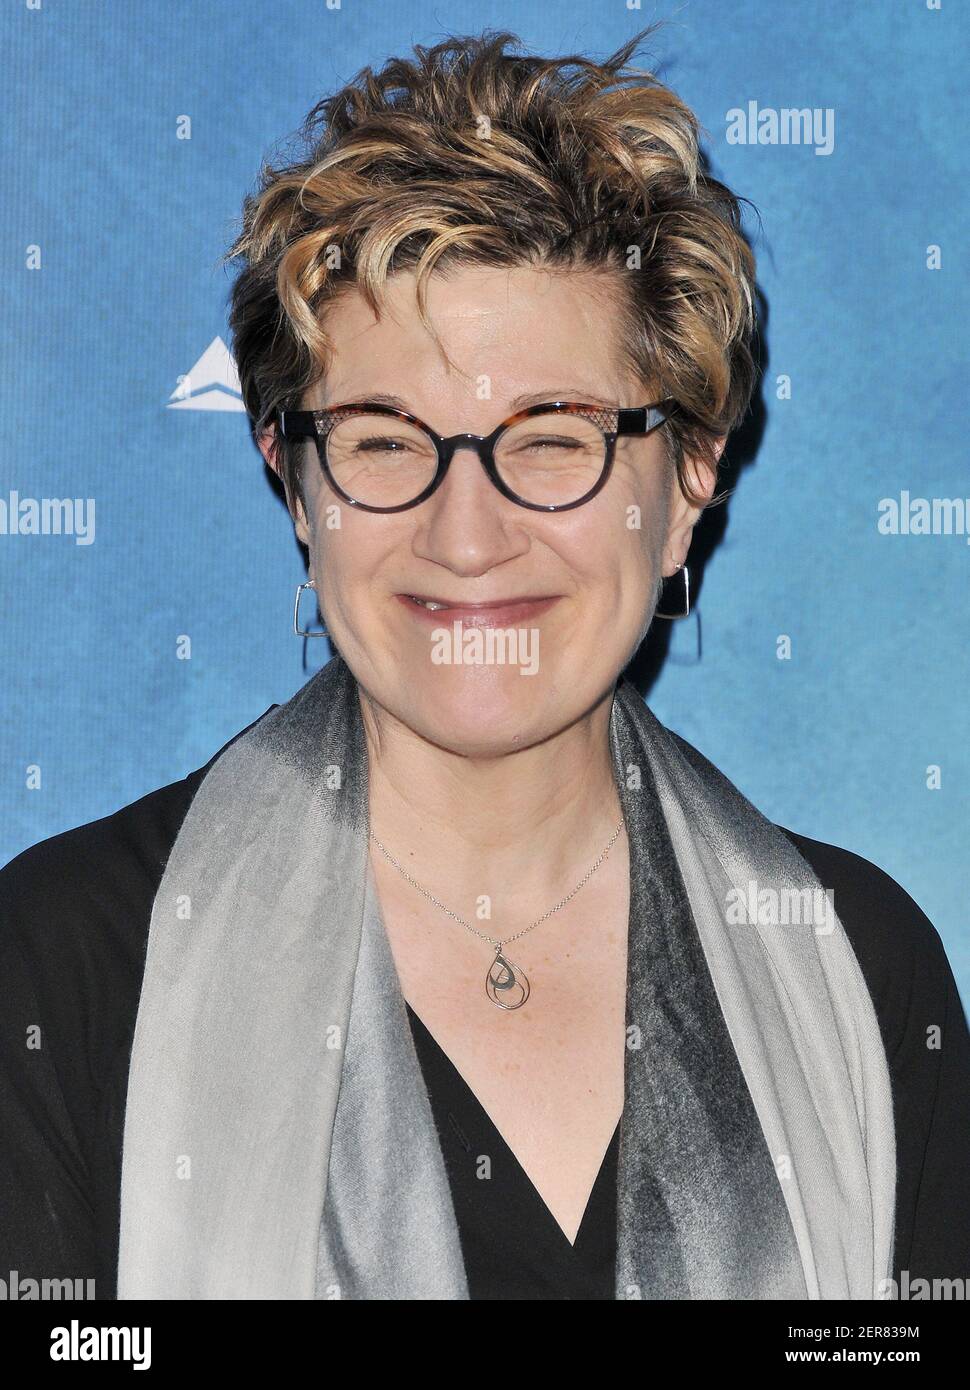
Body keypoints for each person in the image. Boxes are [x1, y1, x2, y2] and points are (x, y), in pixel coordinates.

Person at [1, 28, 968, 1302]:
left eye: (553, 438)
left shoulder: (859, 964)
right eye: (386, 439)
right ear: (292, 479)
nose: (465, 534)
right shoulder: (66, 961)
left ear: (688, 477)